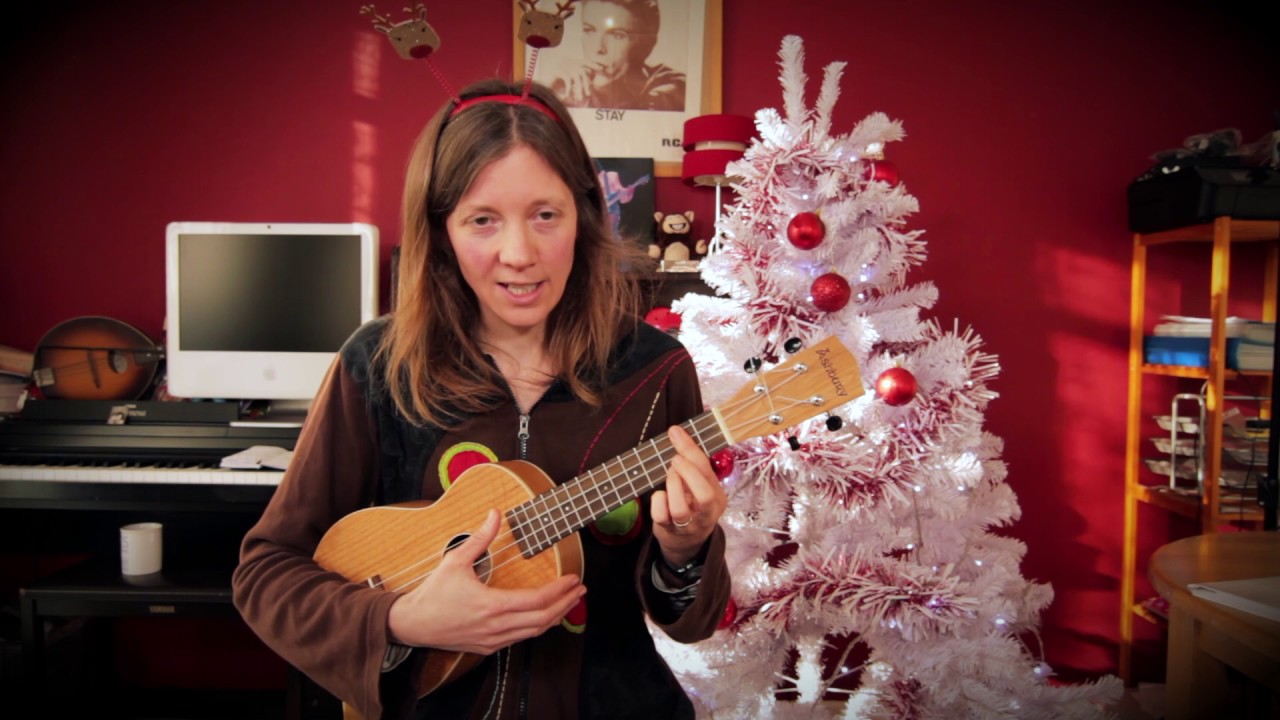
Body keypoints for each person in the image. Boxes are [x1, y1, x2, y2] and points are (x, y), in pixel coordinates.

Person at [231, 77, 730, 720]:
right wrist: (401, 618)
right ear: (440, 231)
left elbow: (691, 621)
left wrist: (686, 549)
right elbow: (267, 573)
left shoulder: (654, 369)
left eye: (545, 215)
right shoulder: (377, 367)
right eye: (482, 220)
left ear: (583, 215)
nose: (518, 255)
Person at [549, 0, 686, 112]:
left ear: (645, 44)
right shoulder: (567, 86)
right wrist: (556, 97)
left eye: (617, 35)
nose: (598, 48)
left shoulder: (669, 87)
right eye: (589, 30)